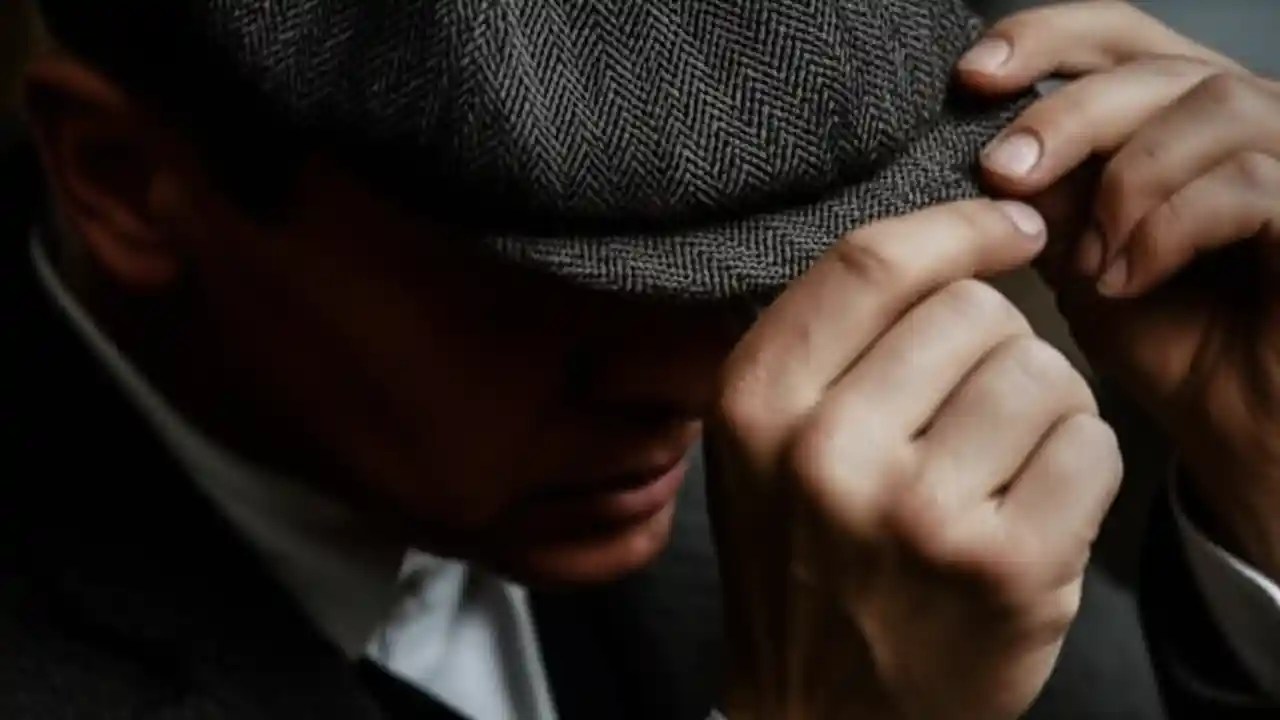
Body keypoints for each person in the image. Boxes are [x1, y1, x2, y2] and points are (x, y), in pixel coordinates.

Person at [0, 2, 1272, 719]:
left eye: (764, 252)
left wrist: (1263, 479)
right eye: (552, 278)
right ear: (127, 182)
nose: (715, 388)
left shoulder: (858, 511)